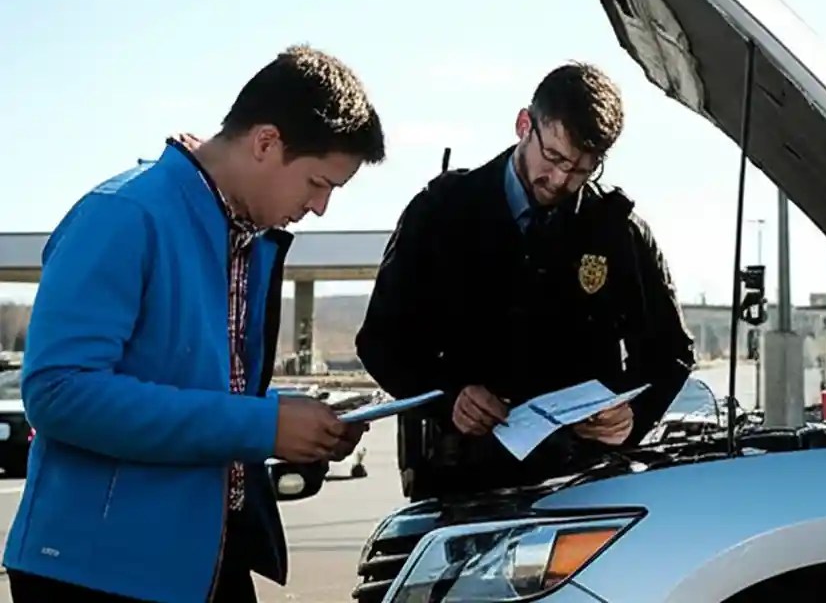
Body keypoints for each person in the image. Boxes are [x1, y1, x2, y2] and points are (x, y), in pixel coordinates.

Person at [3, 44, 387, 603]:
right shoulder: (123, 213)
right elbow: (59, 392)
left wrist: (298, 419)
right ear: (265, 143)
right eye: (318, 183)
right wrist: (264, 425)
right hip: (95, 572)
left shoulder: (239, 237)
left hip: (202, 560)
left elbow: (198, 385)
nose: (321, 207)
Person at [355, 61, 696, 500]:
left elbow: (671, 352)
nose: (559, 180)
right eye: (552, 157)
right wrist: (449, 397)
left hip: (581, 483)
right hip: (461, 482)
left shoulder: (617, 231)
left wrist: (633, 414)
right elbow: (380, 342)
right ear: (524, 125)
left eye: (580, 170)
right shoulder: (442, 211)